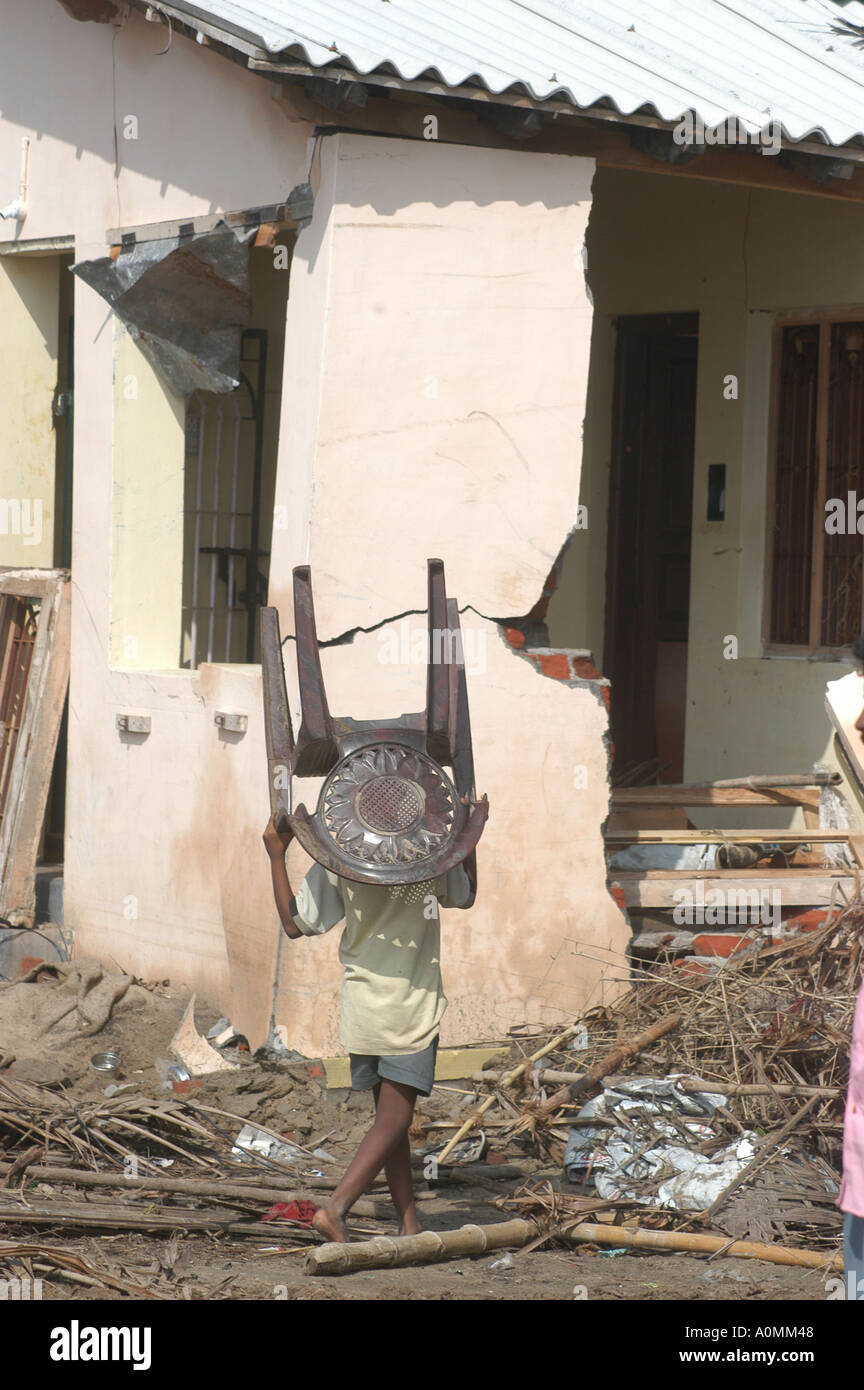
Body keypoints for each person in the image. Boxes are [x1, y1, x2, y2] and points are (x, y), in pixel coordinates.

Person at [263, 812, 476, 1244]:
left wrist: (275, 855)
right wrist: (469, 835)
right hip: (410, 1007)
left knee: (390, 1122)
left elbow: (294, 923)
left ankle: (409, 1222)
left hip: (363, 1006)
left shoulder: (340, 857)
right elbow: (466, 895)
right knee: (395, 1119)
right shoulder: (430, 852)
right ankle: (336, 1210)